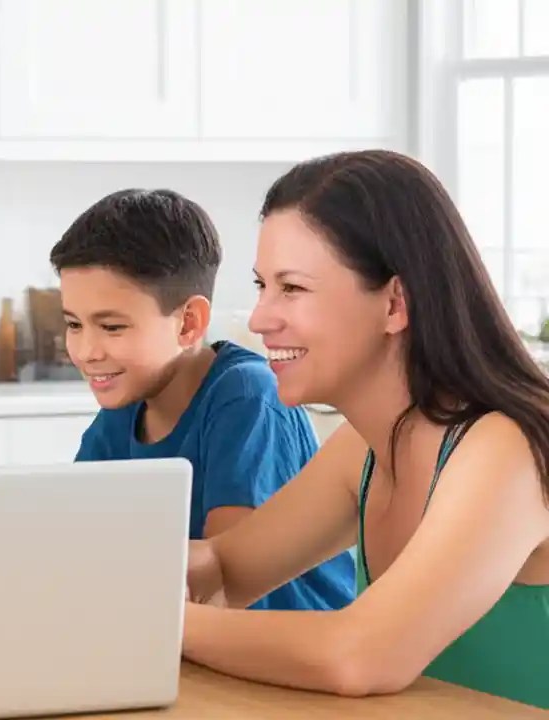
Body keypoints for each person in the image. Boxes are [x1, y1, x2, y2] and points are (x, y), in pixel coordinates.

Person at [181, 150, 549, 708]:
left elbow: (360, 655)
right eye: (262, 286)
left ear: (395, 303)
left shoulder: (506, 449)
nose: (259, 318)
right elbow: (226, 571)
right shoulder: (365, 448)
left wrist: (159, 620)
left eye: (292, 288)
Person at [52, 189, 355, 611]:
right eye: (73, 324)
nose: (86, 351)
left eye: (112, 327)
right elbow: (74, 548)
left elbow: (221, 591)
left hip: (278, 640)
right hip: (182, 636)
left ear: (188, 323)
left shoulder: (247, 398)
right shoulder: (120, 414)